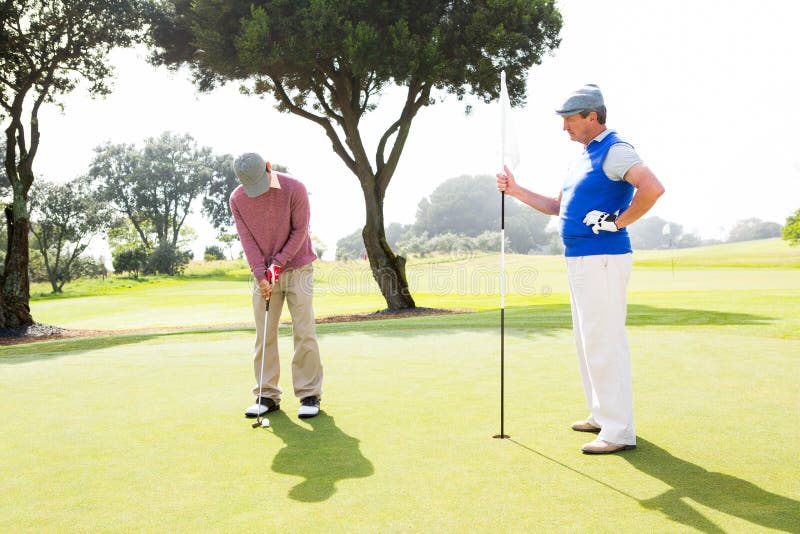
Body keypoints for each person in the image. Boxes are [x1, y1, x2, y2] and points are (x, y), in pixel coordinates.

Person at [496, 84, 665, 454]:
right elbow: (558, 205)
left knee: (604, 341)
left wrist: (617, 223)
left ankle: (619, 431)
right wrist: (516, 190)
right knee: (587, 341)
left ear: (593, 116)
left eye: (569, 120)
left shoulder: (616, 150)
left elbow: (652, 188)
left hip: (603, 258)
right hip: (580, 259)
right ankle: (603, 415)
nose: (564, 128)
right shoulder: (583, 157)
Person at [230, 152, 323, 419]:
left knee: (303, 330)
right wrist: (261, 274)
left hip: (299, 267)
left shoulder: (295, 188)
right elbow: (247, 240)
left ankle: (309, 394)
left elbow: (300, 231)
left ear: (269, 167)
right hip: (264, 273)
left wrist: (278, 264)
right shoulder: (237, 198)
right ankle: (267, 395)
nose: (256, 193)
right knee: (264, 333)